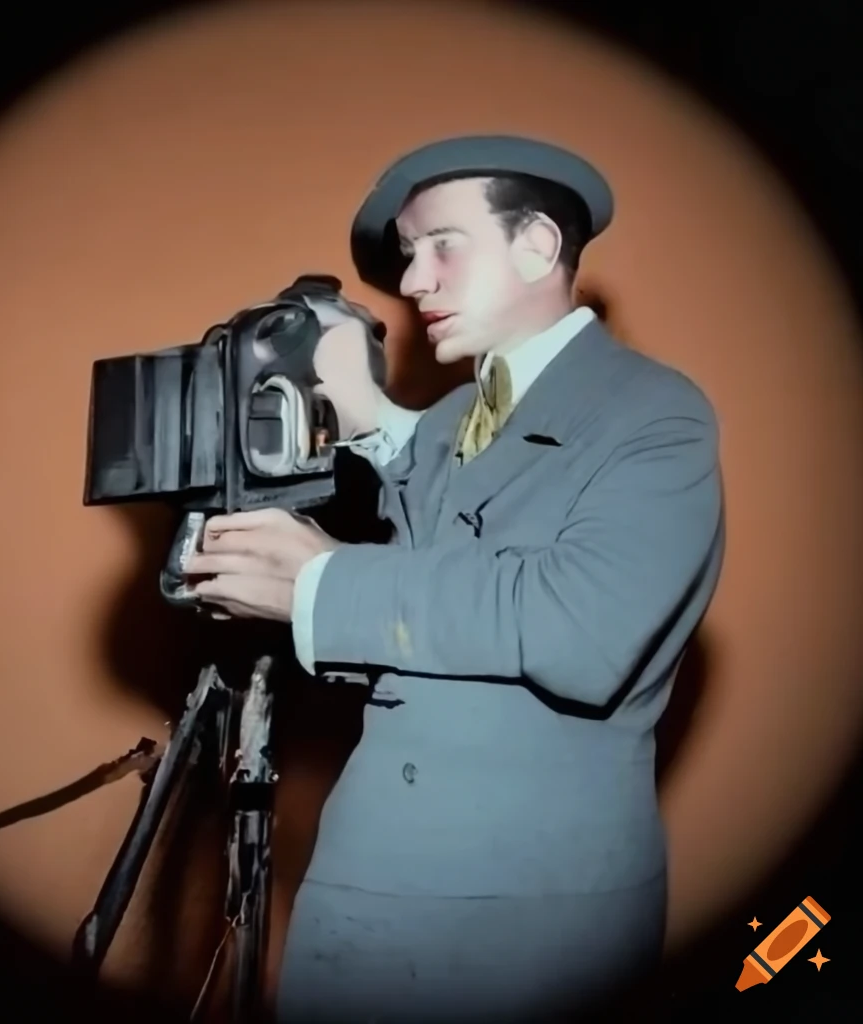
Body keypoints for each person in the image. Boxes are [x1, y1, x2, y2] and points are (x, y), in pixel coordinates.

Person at [185, 136, 725, 1022]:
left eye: (442, 244)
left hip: (527, 913)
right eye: (409, 255)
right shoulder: (446, 424)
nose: (413, 281)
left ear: (538, 244)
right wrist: (353, 433)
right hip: (362, 881)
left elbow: (582, 631)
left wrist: (319, 584)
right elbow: (426, 626)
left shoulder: (653, 412)